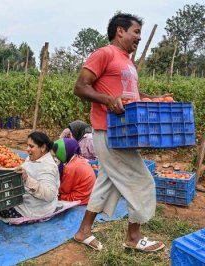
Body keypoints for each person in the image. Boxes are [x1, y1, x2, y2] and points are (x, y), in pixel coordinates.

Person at [73, 13, 166, 252]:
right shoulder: (104, 53)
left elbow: (129, 94)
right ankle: (133, 238)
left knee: (107, 183)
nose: (139, 38)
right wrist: (108, 100)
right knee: (143, 182)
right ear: (120, 31)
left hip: (124, 133)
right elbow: (80, 86)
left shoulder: (127, 61)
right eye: (136, 32)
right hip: (109, 131)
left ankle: (83, 232)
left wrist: (151, 99)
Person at [0, 131, 61, 219]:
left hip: (37, 209)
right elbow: (18, 170)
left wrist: (27, 179)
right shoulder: (32, 158)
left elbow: (49, 195)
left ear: (43, 148)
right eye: (27, 145)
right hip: (28, 200)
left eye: (31, 146)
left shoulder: (48, 167)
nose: (27, 149)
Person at [52, 138, 96, 205]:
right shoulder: (78, 158)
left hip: (82, 198)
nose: (56, 157)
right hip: (90, 194)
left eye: (56, 155)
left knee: (55, 196)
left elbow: (64, 190)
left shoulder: (70, 168)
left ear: (62, 152)